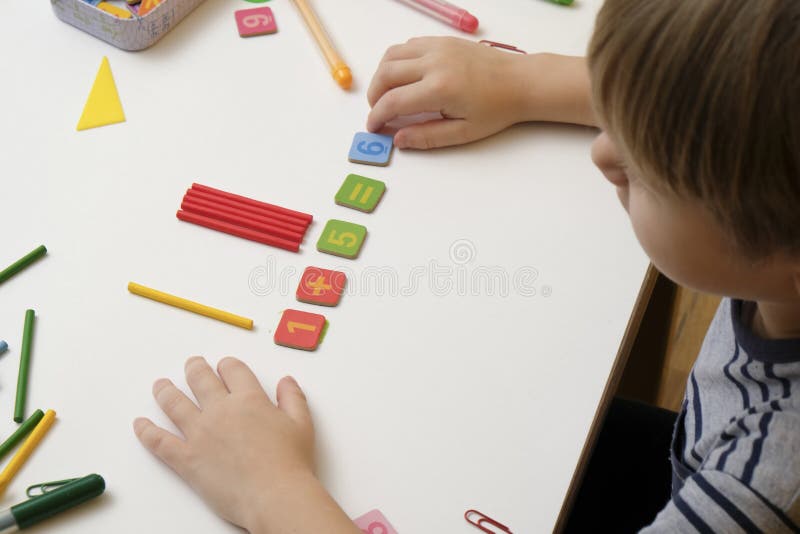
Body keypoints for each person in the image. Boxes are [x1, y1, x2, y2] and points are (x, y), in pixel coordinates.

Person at [133, 1, 800, 531]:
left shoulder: (766, 485)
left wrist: (271, 494)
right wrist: (527, 80)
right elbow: (714, 101)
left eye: (647, 170)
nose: (603, 154)